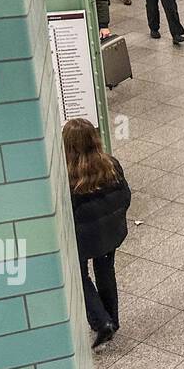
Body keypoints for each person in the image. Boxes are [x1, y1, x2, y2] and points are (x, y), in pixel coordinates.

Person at [63, 119, 130, 348]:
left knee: (79, 276)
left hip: (82, 239)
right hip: (110, 234)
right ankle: (113, 318)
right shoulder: (110, 164)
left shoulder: (67, 178)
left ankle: (102, 322)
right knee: (105, 271)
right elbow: (125, 195)